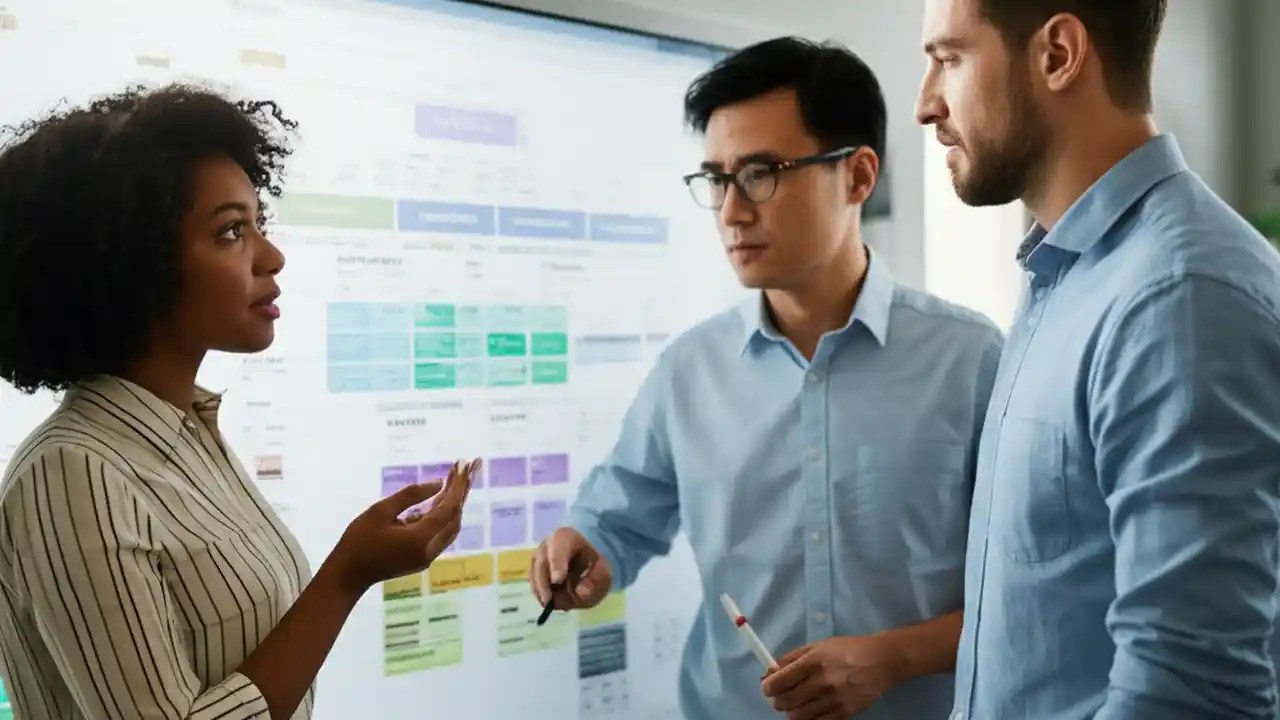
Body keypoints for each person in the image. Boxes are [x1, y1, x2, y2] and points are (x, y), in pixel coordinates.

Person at [529, 37, 1005, 720]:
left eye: (761, 173)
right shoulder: (689, 373)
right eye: (717, 179)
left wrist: (891, 658)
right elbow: (615, 520)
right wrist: (586, 550)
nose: (731, 211)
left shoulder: (971, 362)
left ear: (858, 177)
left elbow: (1034, 586)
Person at [0, 84, 475, 720]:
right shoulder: (72, 475)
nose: (272, 256)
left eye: (258, 225)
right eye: (230, 232)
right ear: (133, 264)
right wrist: (344, 577)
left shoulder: (184, 436)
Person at [916, 0, 1280, 718]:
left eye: (950, 59)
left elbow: (1189, 694)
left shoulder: (1177, 299)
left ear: (1057, 54)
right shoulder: (1066, 275)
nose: (927, 102)